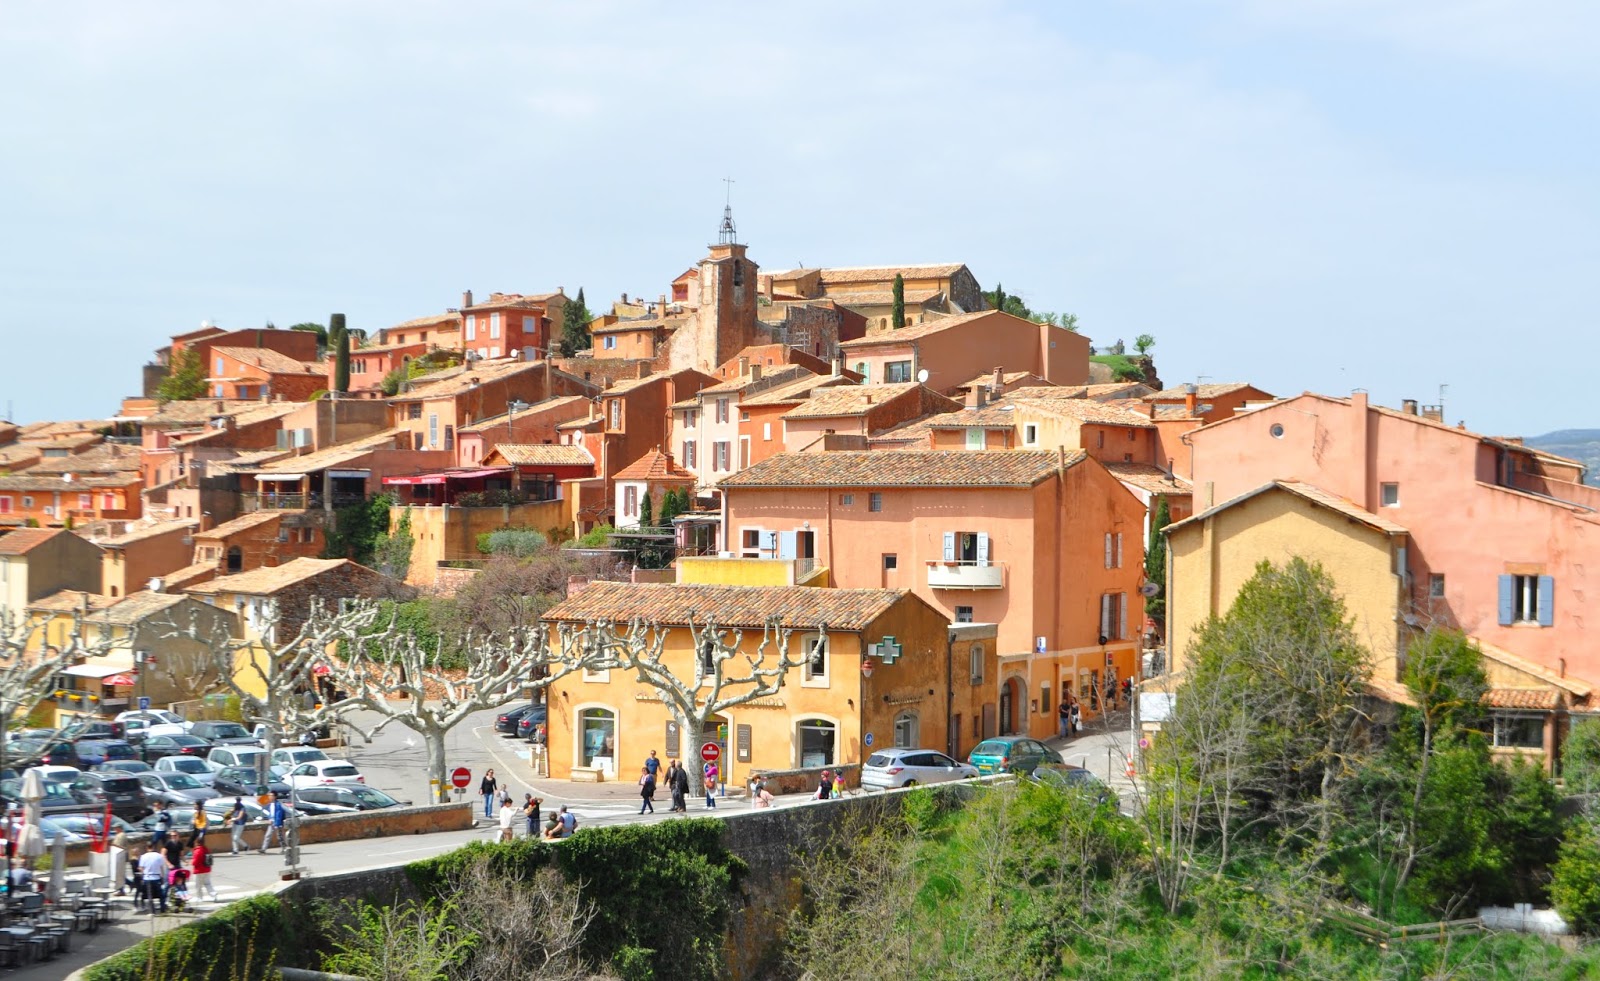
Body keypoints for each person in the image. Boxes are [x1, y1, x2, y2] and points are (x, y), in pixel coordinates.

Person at [137, 845, 170, 913]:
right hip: (156, 877)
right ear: (153, 847)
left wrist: (143, 873)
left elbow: (141, 868)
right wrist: (162, 877)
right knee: (161, 895)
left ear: (147, 848)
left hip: (147, 877)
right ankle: (162, 909)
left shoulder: (143, 856)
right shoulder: (159, 856)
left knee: (150, 895)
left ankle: (152, 911)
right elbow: (161, 867)